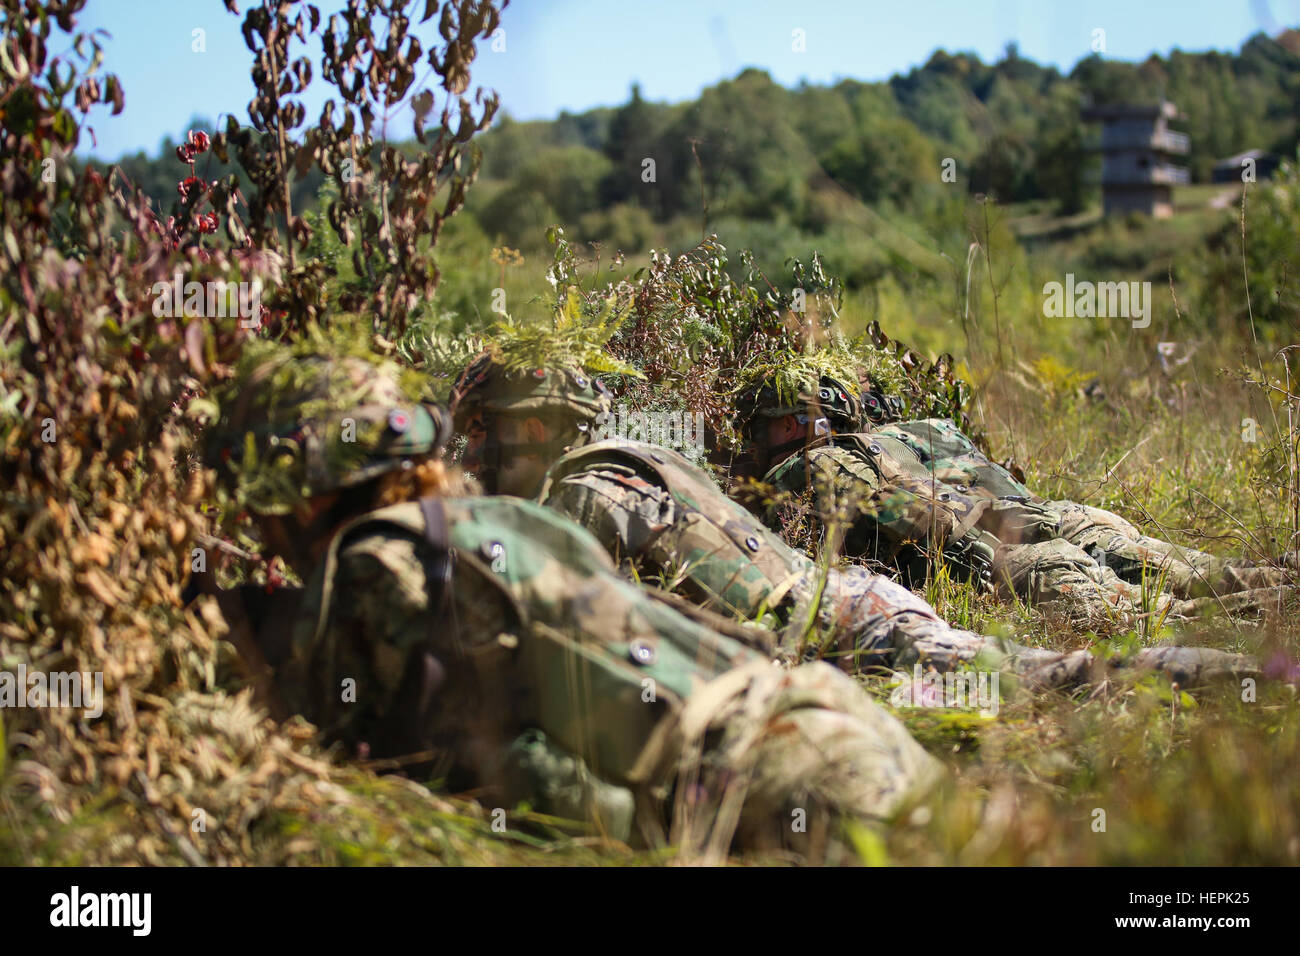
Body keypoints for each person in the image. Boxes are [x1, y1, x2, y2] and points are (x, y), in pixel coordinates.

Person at [201, 338, 943, 859]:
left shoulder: (381, 564)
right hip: (834, 725)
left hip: (781, 790)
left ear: (296, 486)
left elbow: (523, 781)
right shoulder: (496, 522)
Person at [449, 349, 1258, 689]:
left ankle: (1243, 671)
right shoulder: (639, 461)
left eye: (485, 435)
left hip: (849, 625)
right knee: (1075, 654)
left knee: (1053, 679)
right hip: (865, 599)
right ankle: (1239, 645)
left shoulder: (581, 494)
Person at [742, 358, 1293, 625]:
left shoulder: (813, 465)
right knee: (1218, 575)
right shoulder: (913, 435)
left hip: (1015, 560)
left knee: (1178, 620)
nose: (758, 441)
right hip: (1063, 520)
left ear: (791, 424)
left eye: (763, 426)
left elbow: (911, 518)